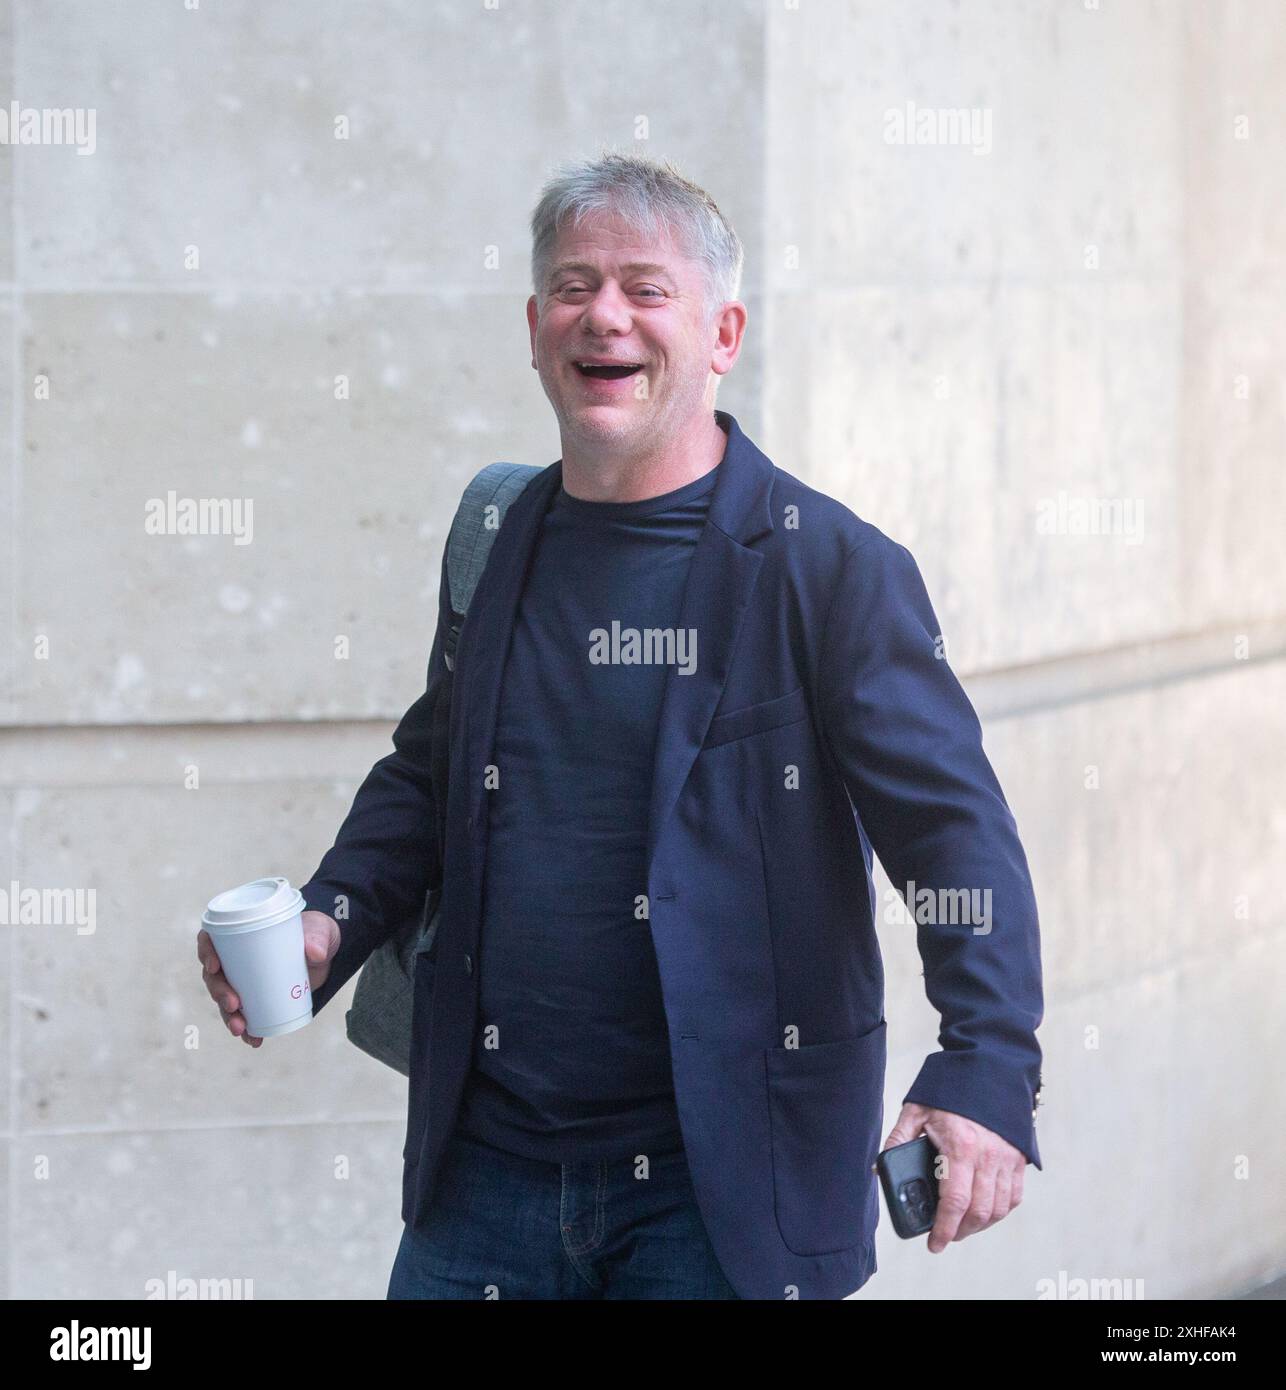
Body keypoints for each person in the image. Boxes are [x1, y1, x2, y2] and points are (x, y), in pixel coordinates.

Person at [197, 150, 1044, 1300]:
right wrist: (328, 916)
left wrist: (984, 1069)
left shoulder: (828, 566)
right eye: (573, 284)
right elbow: (433, 765)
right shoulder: (496, 530)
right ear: (535, 323)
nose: (604, 314)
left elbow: (954, 839)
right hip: (484, 1174)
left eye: (647, 289)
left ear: (722, 332)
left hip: (720, 1191)